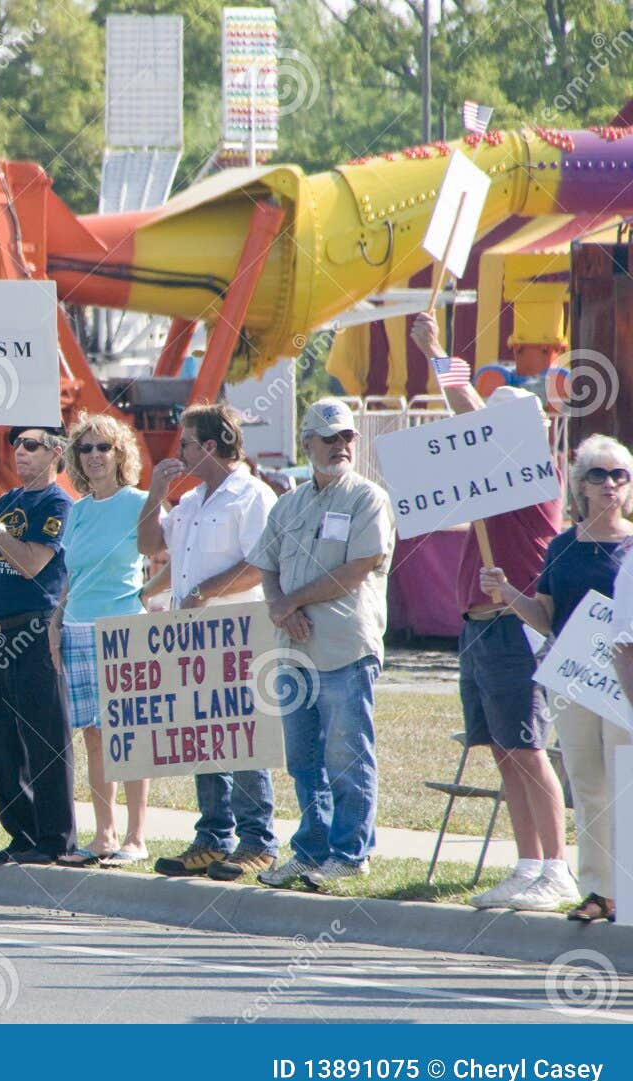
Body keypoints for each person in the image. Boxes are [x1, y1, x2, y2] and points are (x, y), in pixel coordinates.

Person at [411, 312, 573, 910]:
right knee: (505, 750)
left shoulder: (535, 474)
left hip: (514, 624)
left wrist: (436, 353)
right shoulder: (490, 472)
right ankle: (529, 862)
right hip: (479, 625)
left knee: (528, 747)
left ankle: (555, 866)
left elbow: (468, 417)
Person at [249, 399, 394, 892]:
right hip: (293, 649)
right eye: (329, 438)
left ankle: (352, 853)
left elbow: (357, 569)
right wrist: (278, 606)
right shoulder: (288, 503)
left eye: (347, 437)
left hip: (345, 646)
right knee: (304, 759)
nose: (340, 446)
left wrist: (290, 603)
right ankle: (312, 850)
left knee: (348, 754)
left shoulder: (367, 498)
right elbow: (266, 564)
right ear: (306, 443)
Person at [487, 434, 632, 921]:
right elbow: (546, 618)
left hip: (624, 682)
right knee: (588, 785)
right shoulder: (561, 547)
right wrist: (507, 592)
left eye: (620, 475)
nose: (610, 484)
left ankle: (629, 891)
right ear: (580, 485)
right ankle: (599, 892)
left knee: (624, 785)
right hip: (574, 681)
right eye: (598, 474)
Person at [138, 403, 280, 881]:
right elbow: (148, 545)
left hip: (238, 633)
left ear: (211, 447)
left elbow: (262, 564)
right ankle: (213, 836)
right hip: (194, 638)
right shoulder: (192, 501)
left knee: (241, 734)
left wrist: (204, 592)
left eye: (187, 444)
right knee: (206, 735)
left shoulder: (252, 496)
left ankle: (257, 839)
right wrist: (156, 491)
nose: (179, 451)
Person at [0, 425, 77, 866]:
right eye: (16, 445)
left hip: (34, 627)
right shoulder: (8, 501)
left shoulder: (57, 502)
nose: (19, 452)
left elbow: (30, 564)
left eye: (30, 445)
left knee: (45, 737)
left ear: (54, 452)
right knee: (4, 738)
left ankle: (55, 837)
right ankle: (22, 832)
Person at [53, 412, 153, 867]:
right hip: (76, 629)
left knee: (128, 735)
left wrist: (144, 597)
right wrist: (56, 624)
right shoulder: (76, 511)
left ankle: (136, 837)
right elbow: (70, 577)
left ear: (120, 454)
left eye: (103, 448)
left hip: (123, 631)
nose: (94, 456)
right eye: (85, 449)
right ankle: (104, 835)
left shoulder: (140, 502)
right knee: (94, 737)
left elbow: (169, 555)